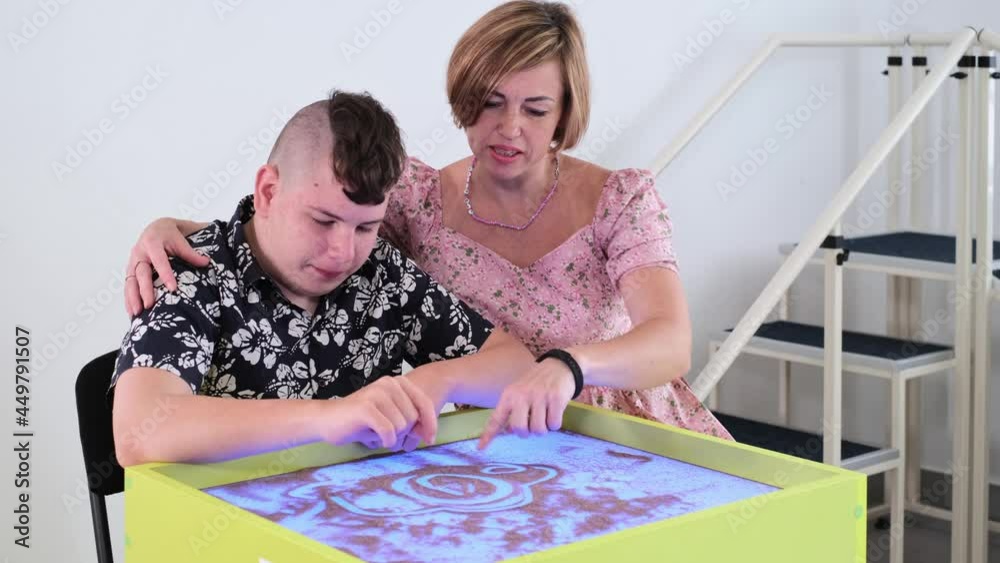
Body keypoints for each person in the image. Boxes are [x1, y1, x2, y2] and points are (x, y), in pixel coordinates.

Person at [124, 1, 731, 444]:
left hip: (621, 433)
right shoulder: (411, 201)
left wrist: (563, 367)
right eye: (490, 102)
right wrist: (177, 229)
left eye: (536, 108)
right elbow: (301, 224)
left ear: (565, 111)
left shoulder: (617, 200)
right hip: (489, 448)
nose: (510, 129)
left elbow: (669, 342)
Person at [110, 91, 548, 467]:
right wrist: (329, 417)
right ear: (268, 191)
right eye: (322, 221)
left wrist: (438, 380)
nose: (344, 252)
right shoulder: (190, 271)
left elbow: (517, 367)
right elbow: (139, 431)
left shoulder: (383, 275)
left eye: (365, 227)